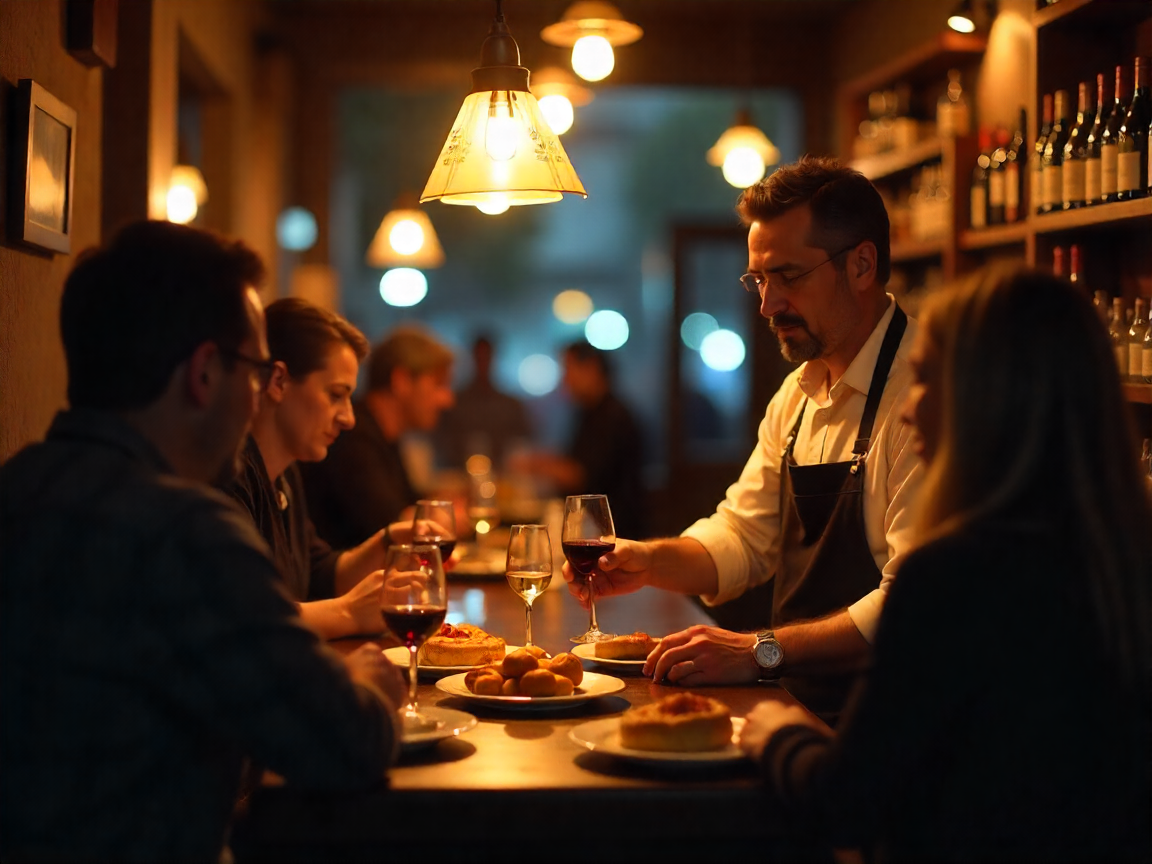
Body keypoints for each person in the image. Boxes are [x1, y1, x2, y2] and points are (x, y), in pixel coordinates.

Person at [0, 221, 406, 863]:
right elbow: (342, 744)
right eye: (252, 373)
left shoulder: (16, 489)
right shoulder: (184, 533)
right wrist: (372, 686)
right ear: (205, 374)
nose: (256, 402)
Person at [739, 267, 1152, 862]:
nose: (908, 410)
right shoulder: (1123, 560)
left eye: (928, 379)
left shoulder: (952, 576)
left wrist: (777, 734)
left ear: (994, 398)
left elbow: (850, 801)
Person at [564, 156, 924, 718]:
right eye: (759, 279)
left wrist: (758, 650)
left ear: (861, 264)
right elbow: (744, 536)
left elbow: (914, 607)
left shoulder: (927, 398)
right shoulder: (797, 395)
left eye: (788, 276)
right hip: (799, 705)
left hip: (891, 727)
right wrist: (649, 561)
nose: (766, 304)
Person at [226, 297, 420, 639]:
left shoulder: (285, 475)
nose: (348, 418)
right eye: (335, 395)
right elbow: (242, 617)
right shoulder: (227, 477)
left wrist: (385, 542)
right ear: (278, 382)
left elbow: (317, 575)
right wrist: (348, 612)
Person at [301, 326, 454, 549]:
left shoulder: (386, 436)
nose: (447, 399)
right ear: (401, 381)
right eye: (439, 384)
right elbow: (394, 530)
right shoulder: (352, 437)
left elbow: (411, 507)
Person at [517, 341, 646, 539]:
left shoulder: (612, 416)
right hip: (593, 529)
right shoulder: (588, 412)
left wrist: (534, 463)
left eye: (568, 370)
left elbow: (580, 475)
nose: (565, 380)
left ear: (591, 368)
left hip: (613, 534)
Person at [435, 334, 533, 470]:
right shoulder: (455, 402)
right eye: (479, 358)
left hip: (505, 478)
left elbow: (522, 444)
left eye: (486, 357)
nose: (483, 363)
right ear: (472, 358)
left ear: (493, 358)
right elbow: (442, 443)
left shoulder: (510, 405)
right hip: (460, 477)